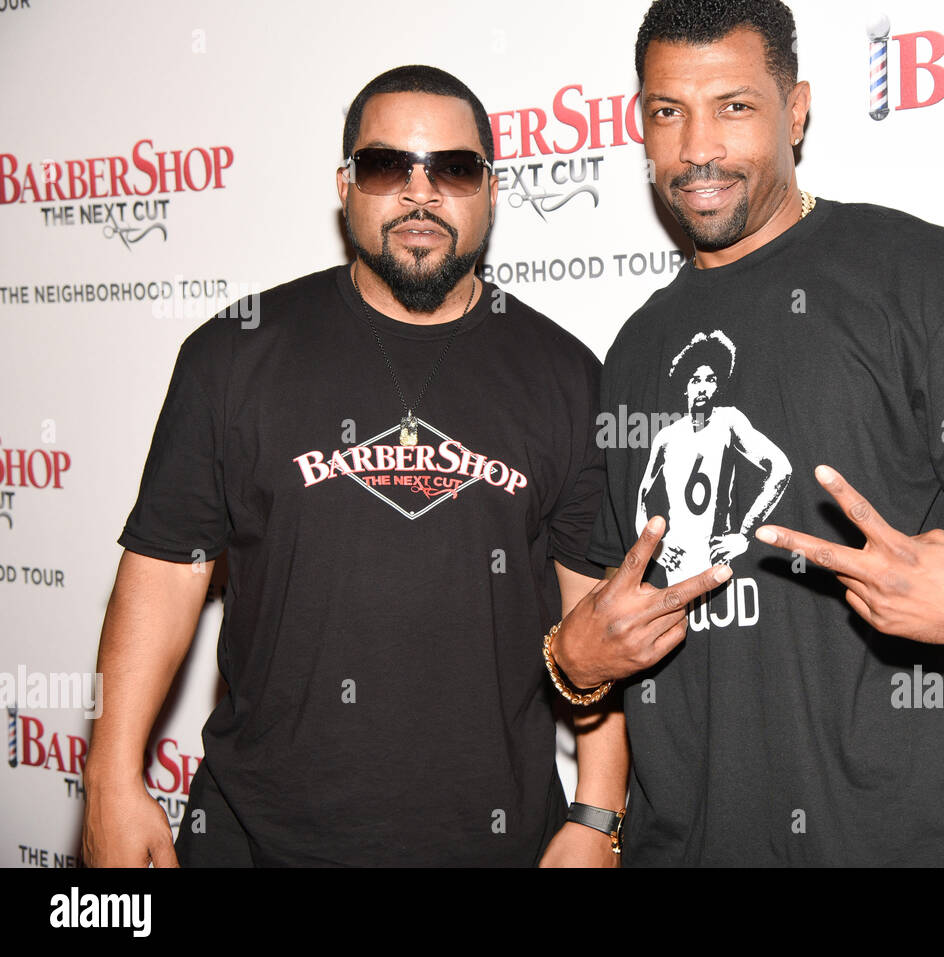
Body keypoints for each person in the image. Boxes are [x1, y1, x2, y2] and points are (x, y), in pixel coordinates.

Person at [551, 0, 944, 865]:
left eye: (735, 107)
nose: (698, 150)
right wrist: (577, 659)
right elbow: (613, 602)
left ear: (796, 111)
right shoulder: (636, 347)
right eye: (667, 112)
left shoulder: (925, 277)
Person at [81, 65, 631, 866]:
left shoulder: (567, 375)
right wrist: (109, 776)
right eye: (385, 167)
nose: (420, 193)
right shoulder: (232, 354)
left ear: (491, 190)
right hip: (255, 838)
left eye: (453, 168)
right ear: (345, 186)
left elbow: (595, 620)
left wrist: (597, 815)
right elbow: (163, 574)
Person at [636, 330, 791, 580]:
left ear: (718, 384)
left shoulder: (728, 420)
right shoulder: (667, 437)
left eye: (710, 379)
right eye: (695, 379)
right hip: (677, 565)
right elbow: (641, 497)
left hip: (719, 561)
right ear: (685, 386)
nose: (703, 387)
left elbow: (781, 468)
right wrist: (655, 547)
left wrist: (744, 534)